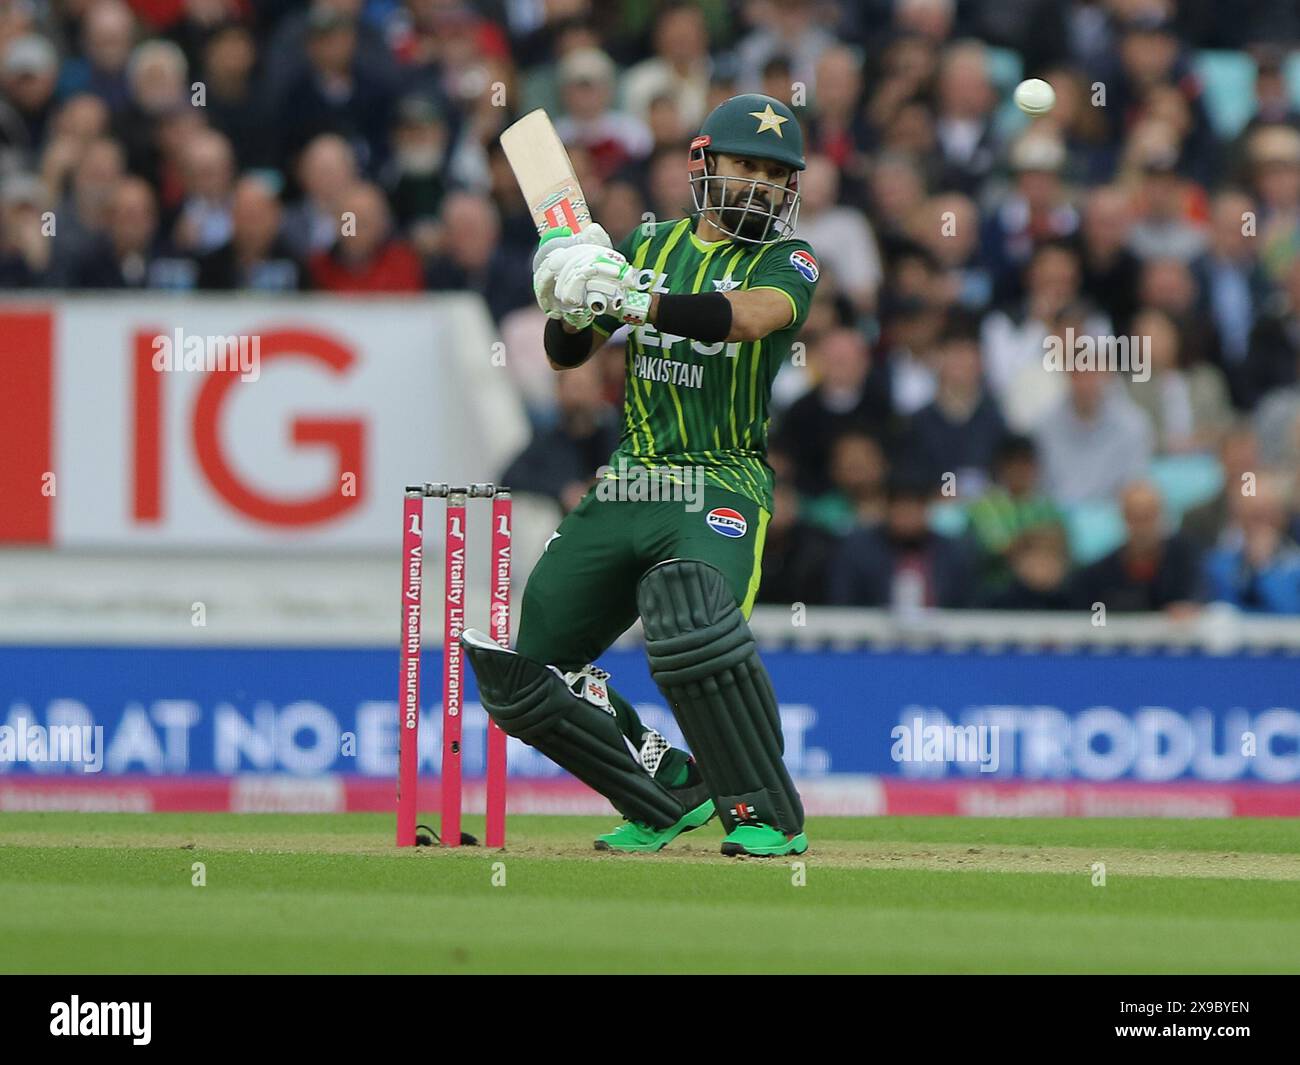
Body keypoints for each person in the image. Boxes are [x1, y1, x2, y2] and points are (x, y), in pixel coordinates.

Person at [461, 94, 817, 858]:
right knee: (524, 675)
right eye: (745, 165)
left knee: (688, 615)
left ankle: (764, 814)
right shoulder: (648, 243)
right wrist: (573, 294)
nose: (758, 185)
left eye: (775, 174)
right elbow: (567, 356)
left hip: (720, 482)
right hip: (632, 479)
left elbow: (749, 318)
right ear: (704, 163)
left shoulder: (788, 260)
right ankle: (664, 790)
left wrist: (635, 297)